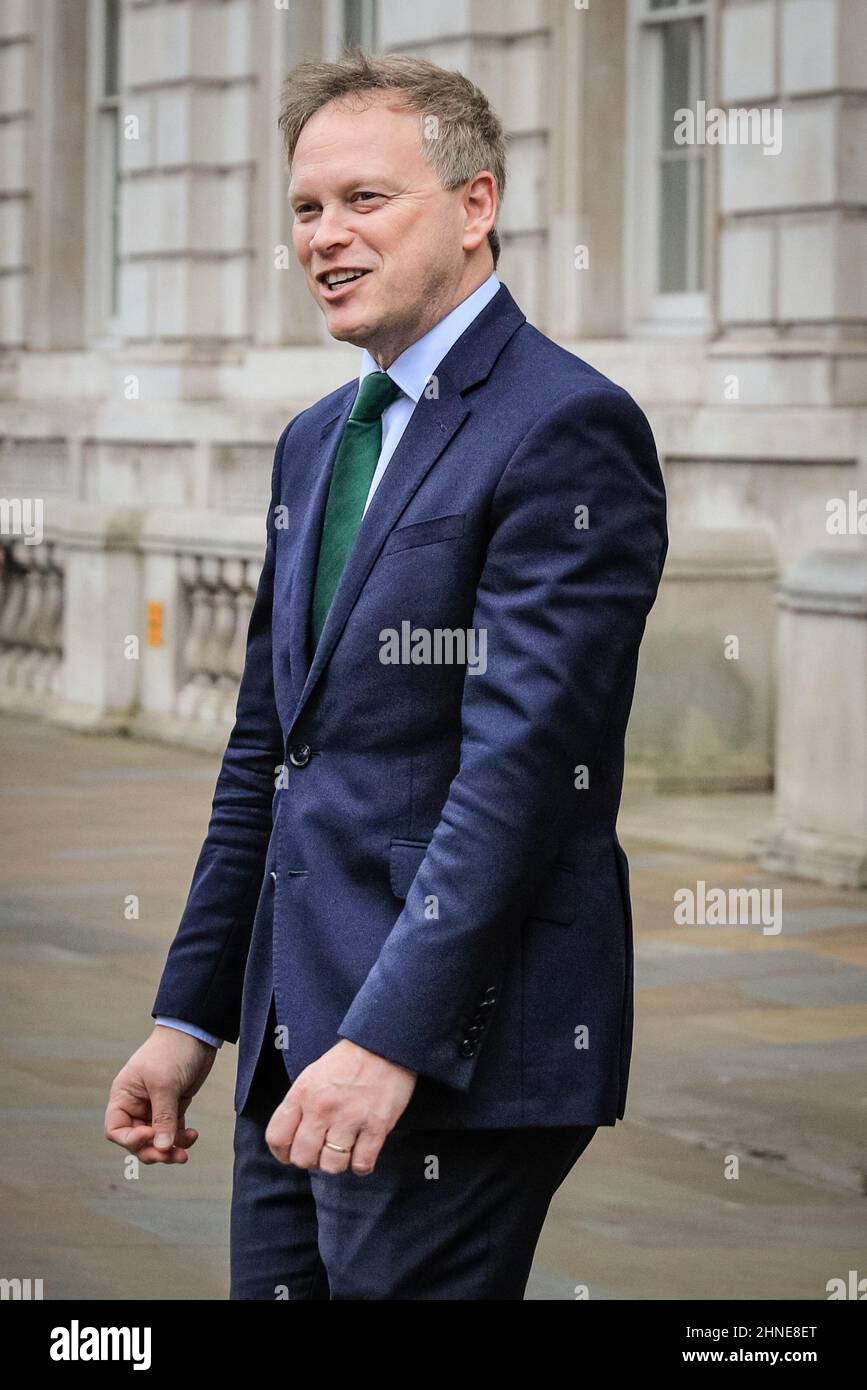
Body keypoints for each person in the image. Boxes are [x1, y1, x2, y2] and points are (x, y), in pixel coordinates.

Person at [105, 51, 668, 1301]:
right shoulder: (316, 441)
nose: (326, 236)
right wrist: (189, 1018)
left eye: (367, 200)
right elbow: (269, 755)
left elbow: (520, 780)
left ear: (476, 207)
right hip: (291, 1040)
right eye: (307, 209)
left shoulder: (566, 426)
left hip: (446, 1055)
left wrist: (386, 1040)